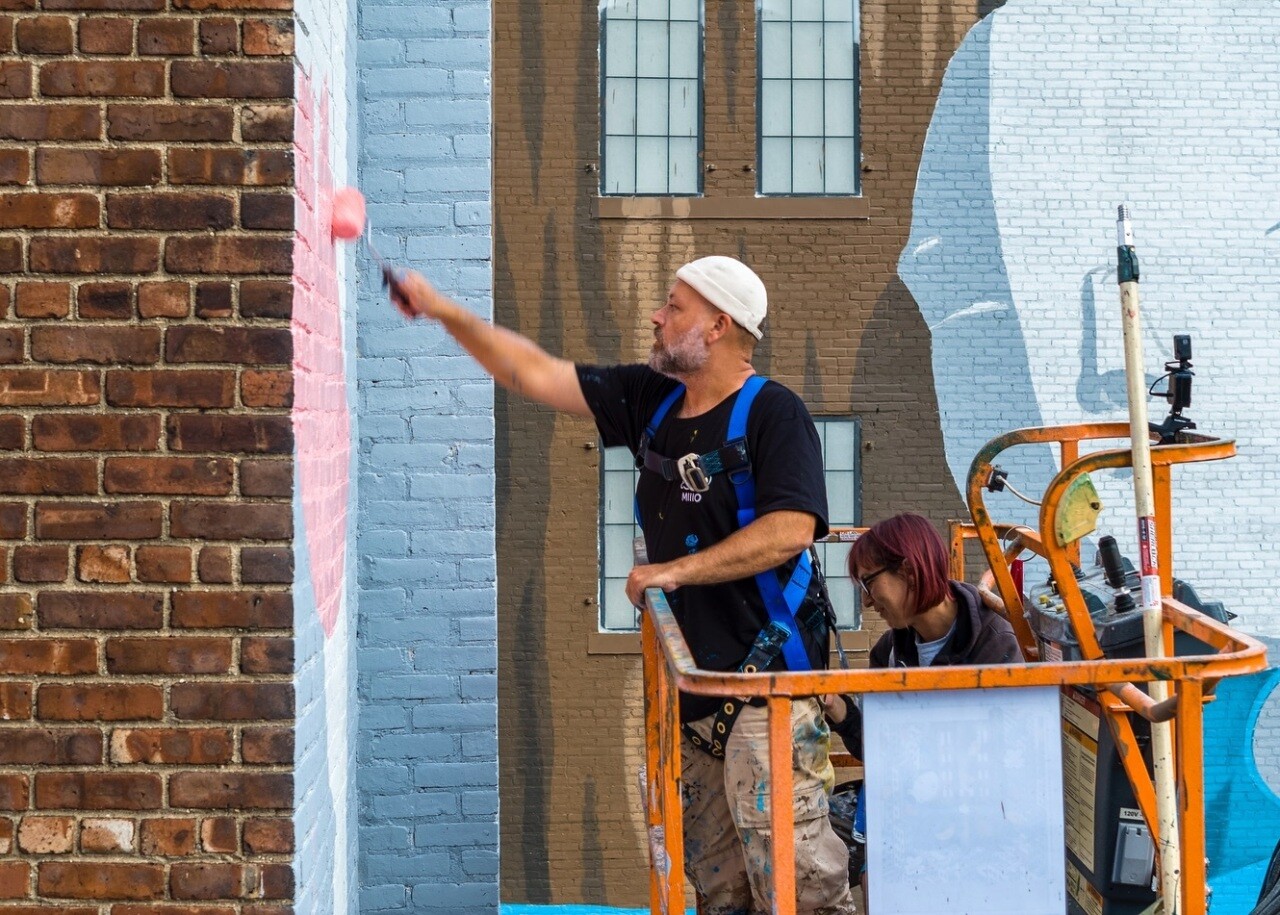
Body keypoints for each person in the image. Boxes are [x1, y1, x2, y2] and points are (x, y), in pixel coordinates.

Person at [389, 256, 856, 915]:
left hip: (767, 696)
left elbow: (790, 529)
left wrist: (674, 571)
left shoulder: (774, 412)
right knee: (721, 893)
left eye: (675, 306)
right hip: (691, 701)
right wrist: (442, 310)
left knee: (799, 891)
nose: (657, 316)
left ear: (719, 326)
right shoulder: (651, 399)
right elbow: (533, 372)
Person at [823, 511, 1022, 908]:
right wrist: (840, 711)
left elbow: (1004, 767)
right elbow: (882, 752)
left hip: (980, 834)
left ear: (909, 571)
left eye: (868, 582)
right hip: (913, 817)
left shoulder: (995, 644)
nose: (866, 600)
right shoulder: (890, 651)